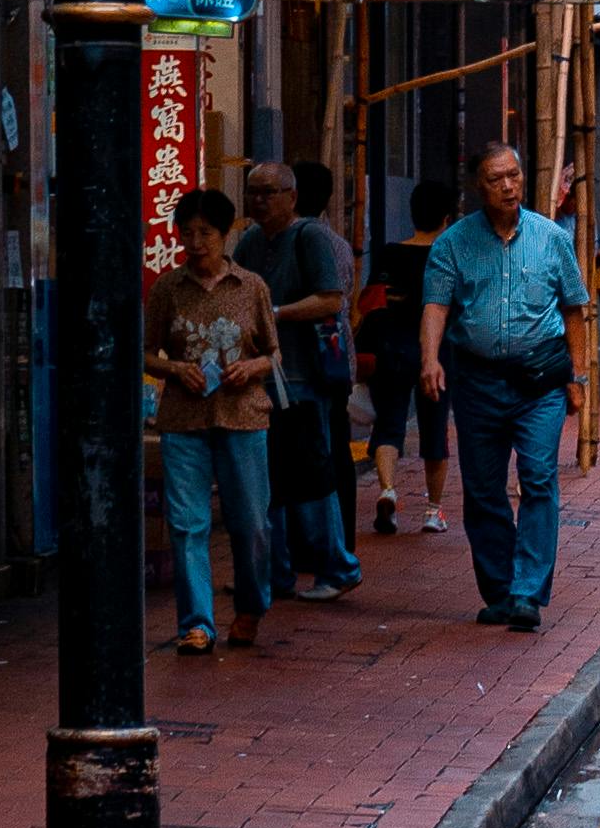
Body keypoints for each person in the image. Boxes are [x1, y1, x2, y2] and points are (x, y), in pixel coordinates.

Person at [420, 141, 590, 631]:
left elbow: (575, 310)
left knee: (538, 478)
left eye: (514, 175)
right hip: (476, 382)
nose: (509, 185)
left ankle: (527, 592)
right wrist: (430, 359)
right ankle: (499, 589)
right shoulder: (453, 243)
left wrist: (577, 378)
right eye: (497, 179)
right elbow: (436, 306)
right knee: (483, 488)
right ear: (480, 187)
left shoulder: (550, 237)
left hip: (540, 381)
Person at [146, 187, 282, 653]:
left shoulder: (251, 288)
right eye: (188, 233)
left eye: (206, 232)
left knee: (251, 523)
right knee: (187, 523)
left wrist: (250, 368)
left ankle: (250, 608)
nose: (196, 242)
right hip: (184, 419)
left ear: (225, 234)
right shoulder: (168, 289)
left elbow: (274, 354)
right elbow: (147, 352)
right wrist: (173, 368)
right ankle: (196, 624)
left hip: (243, 416)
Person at [250, 154, 362, 600]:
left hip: (302, 377)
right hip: (260, 377)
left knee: (313, 476)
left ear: (292, 197)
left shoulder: (311, 237)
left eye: (268, 192)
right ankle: (275, 573)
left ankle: (337, 566)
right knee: (270, 479)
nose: (258, 201)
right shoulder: (250, 242)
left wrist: (275, 313)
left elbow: (331, 301)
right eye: (252, 192)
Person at [354, 218, 446, 536]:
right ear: (445, 218)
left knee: (389, 423)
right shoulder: (445, 252)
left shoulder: (390, 252)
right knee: (434, 427)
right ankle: (433, 512)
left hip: (391, 348)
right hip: (434, 352)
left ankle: (388, 490)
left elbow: (369, 300)